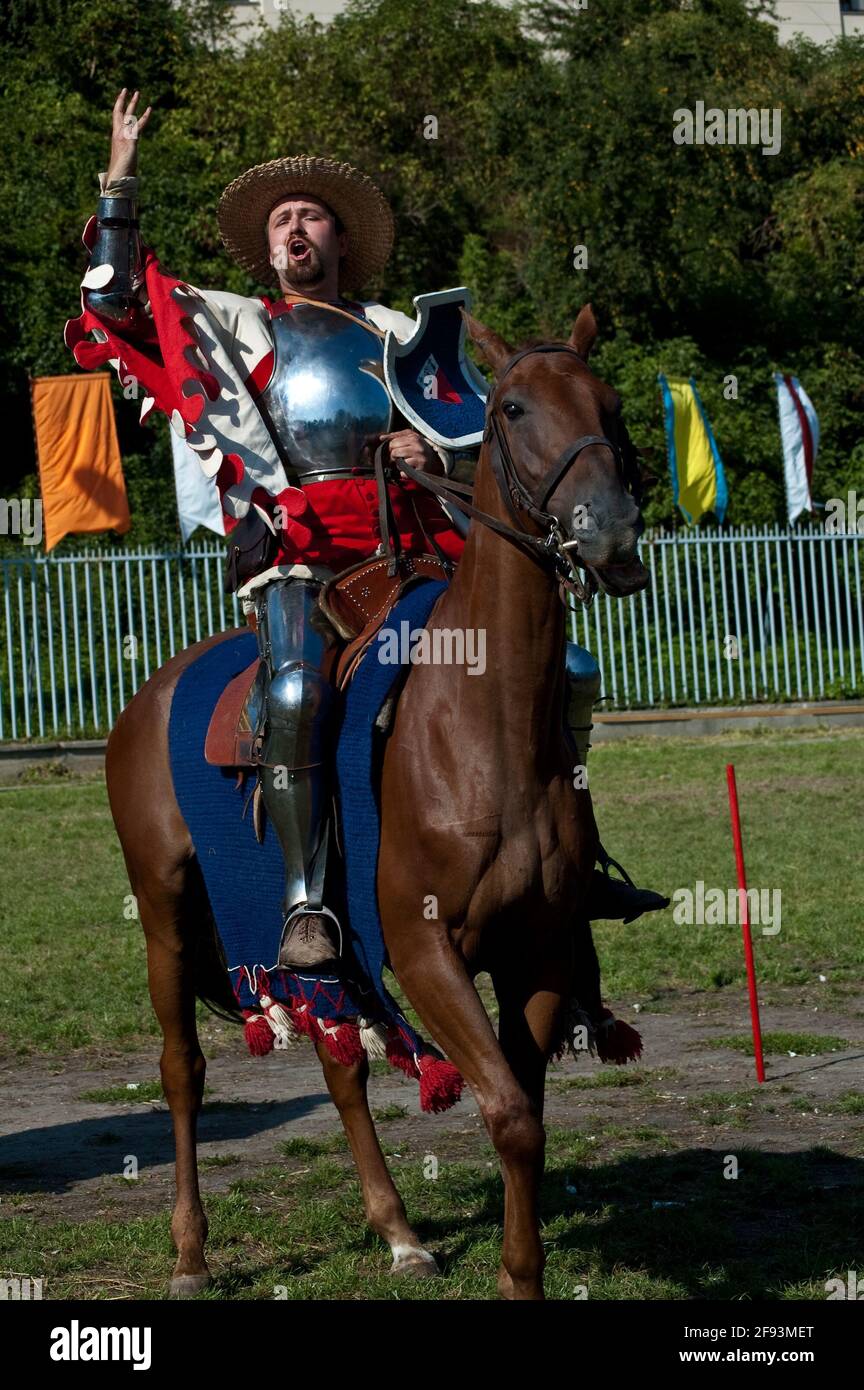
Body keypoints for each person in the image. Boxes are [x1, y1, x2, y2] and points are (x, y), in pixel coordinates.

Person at [68, 90, 666, 971]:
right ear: (269, 247)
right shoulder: (234, 325)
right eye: (281, 221)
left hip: (414, 549)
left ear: (341, 241)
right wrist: (119, 179)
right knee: (296, 693)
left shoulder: (404, 338)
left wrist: (425, 447)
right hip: (300, 563)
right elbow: (117, 305)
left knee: (567, 665)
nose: (295, 229)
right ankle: (307, 902)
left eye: (311, 215)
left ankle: (577, 862)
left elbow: (489, 447)